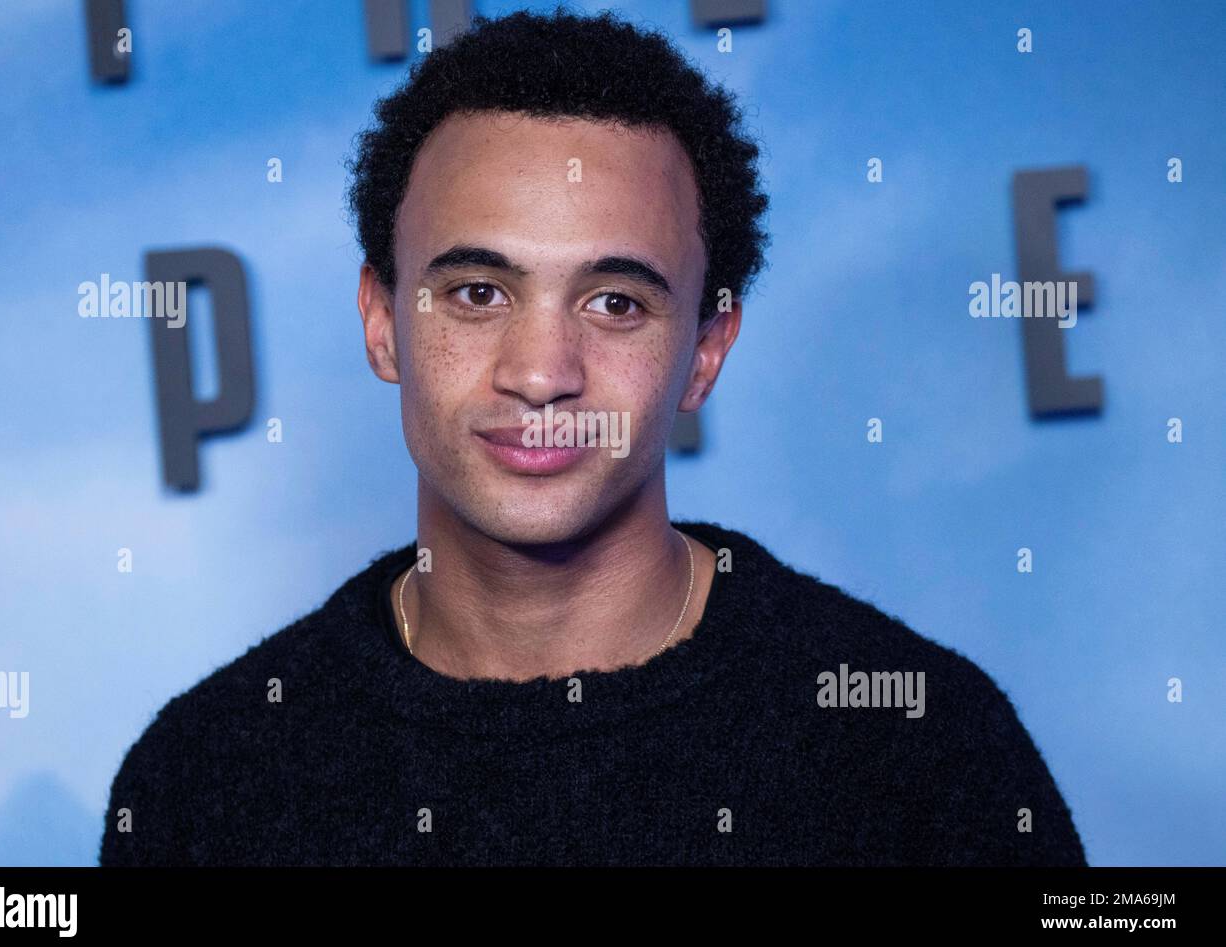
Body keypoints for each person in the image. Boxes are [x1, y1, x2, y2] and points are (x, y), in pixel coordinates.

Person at [100, 7, 1086, 866]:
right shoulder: (207, 774)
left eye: (615, 302)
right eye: (478, 293)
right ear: (380, 318)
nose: (541, 373)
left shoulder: (920, 748)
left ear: (705, 352)